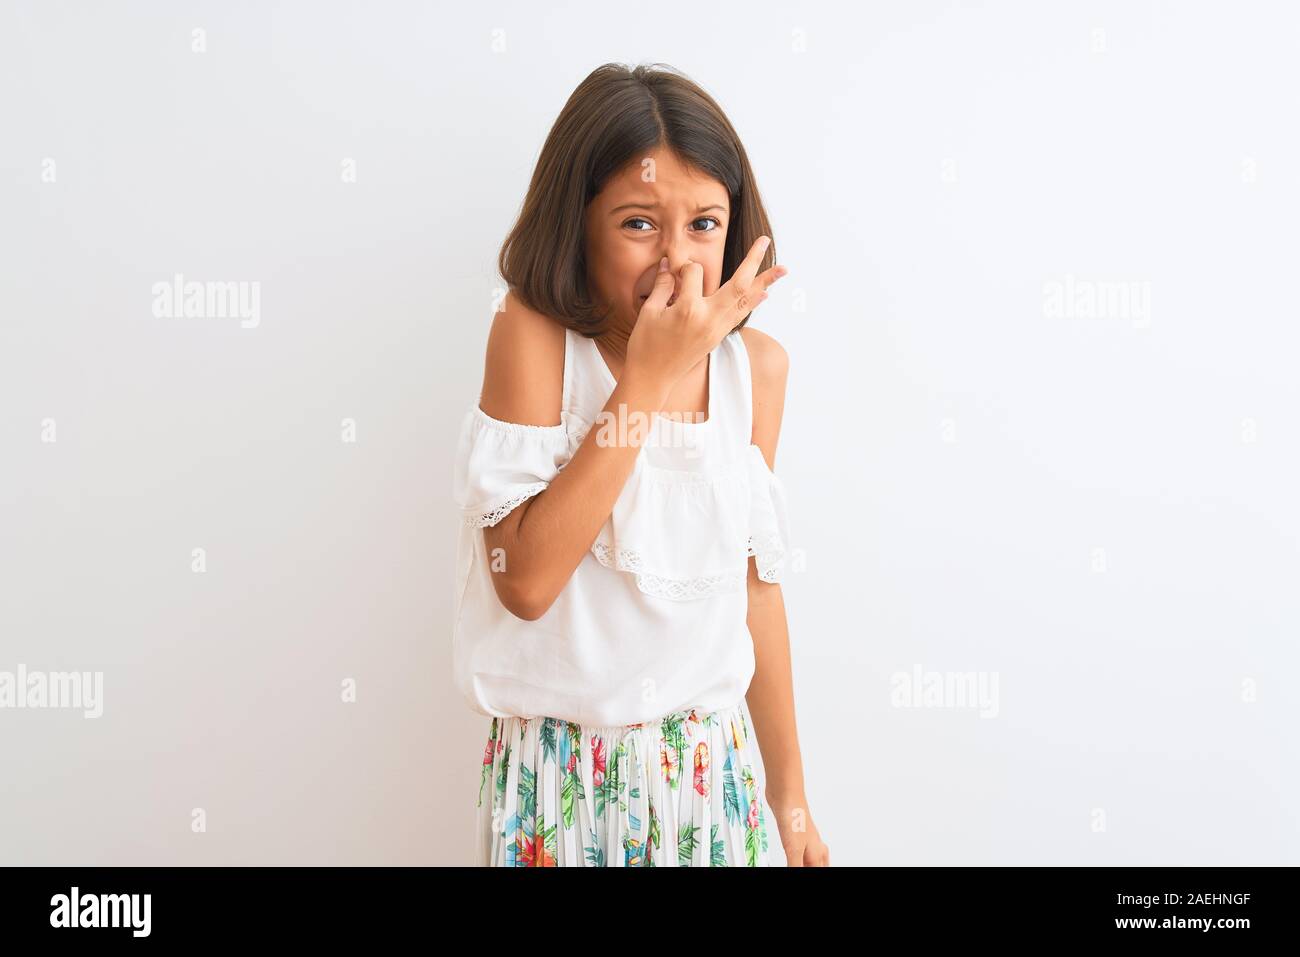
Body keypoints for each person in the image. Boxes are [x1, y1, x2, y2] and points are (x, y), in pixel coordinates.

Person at [453, 62, 829, 867]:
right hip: (559, 784)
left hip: (707, 778)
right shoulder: (534, 340)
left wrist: (788, 794)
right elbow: (523, 580)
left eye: (703, 223)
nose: (677, 261)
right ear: (577, 224)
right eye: (637, 224)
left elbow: (756, 594)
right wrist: (651, 379)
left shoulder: (755, 371)